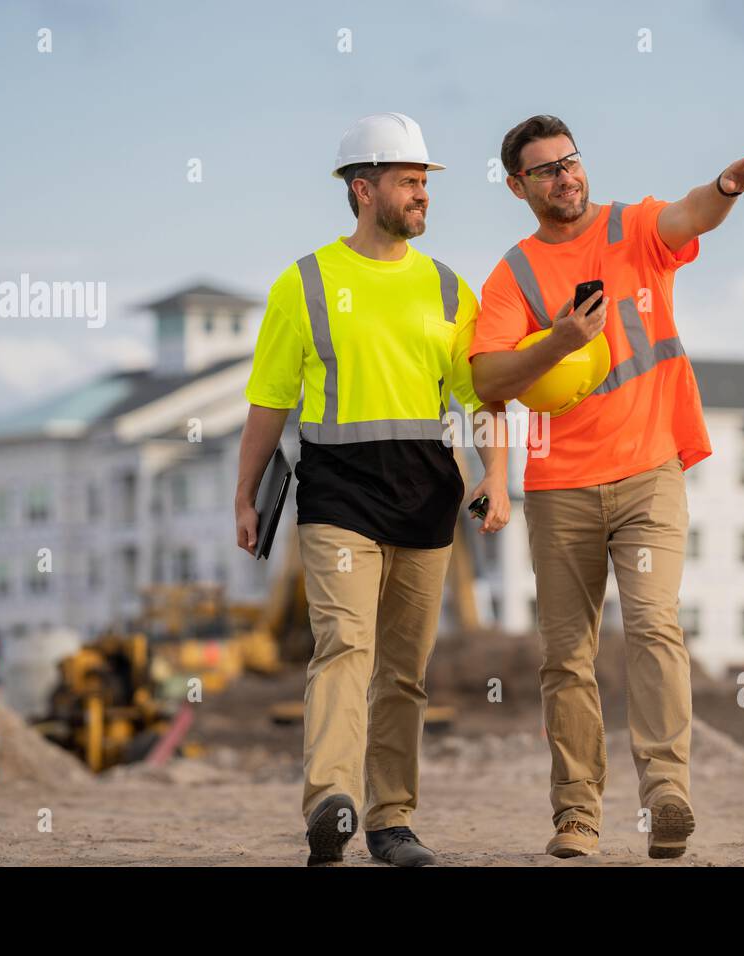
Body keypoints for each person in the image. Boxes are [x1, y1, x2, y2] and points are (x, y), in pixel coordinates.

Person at [469, 114, 744, 859]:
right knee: (566, 657)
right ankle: (577, 816)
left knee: (655, 624)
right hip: (561, 487)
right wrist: (561, 340)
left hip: (647, 473)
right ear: (517, 185)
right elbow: (487, 380)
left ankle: (667, 792)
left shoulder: (634, 229)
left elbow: (691, 212)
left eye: (571, 161)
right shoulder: (515, 275)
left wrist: (726, 186)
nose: (566, 176)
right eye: (546, 169)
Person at [235, 112, 510, 866]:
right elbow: (269, 399)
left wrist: (499, 475)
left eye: (425, 182)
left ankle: (391, 822)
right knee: (343, 646)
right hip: (337, 494)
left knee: (403, 672)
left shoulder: (450, 289)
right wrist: (243, 495)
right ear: (364, 190)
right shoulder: (307, 282)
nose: (423, 194)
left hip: (427, 492)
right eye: (409, 181)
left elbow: (480, 394)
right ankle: (332, 802)